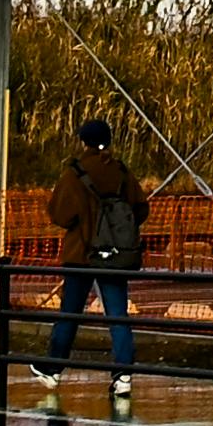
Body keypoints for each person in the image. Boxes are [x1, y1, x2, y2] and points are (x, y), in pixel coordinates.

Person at [43, 117, 148, 402]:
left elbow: (60, 215)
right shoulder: (122, 172)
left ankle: (53, 368)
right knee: (117, 315)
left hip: (81, 255)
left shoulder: (74, 173)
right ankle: (123, 374)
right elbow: (140, 209)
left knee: (70, 313)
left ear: (83, 140)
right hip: (115, 256)